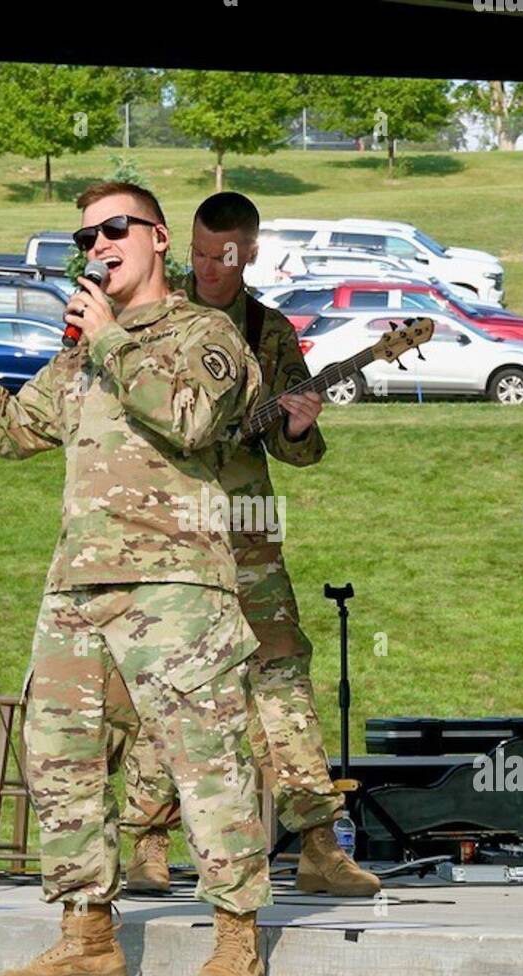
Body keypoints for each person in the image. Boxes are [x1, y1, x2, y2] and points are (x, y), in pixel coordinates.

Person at [0, 181, 273, 976]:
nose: (98, 244)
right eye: (86, 234)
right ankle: (87, 937)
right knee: (61, 764)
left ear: (159, 238)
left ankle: (237, 939)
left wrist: (110, 344)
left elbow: (196, 421)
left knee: (206, 763)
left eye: (115, 228)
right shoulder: (79, 354)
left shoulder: (206, 333)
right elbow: (6, 427)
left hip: (175, 587)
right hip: (77, 587)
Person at [119, 192, 381, 898]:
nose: (208, 268)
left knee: (284, 681)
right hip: (171, 535)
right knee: (170, 686)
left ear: (251, 253)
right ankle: (143, 839)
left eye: (224, 256)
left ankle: (320, 843)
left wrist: (296, 425)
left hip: (250, 538)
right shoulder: (150, 317)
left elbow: (300, 450)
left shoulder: (270, 332)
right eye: (198, 254)